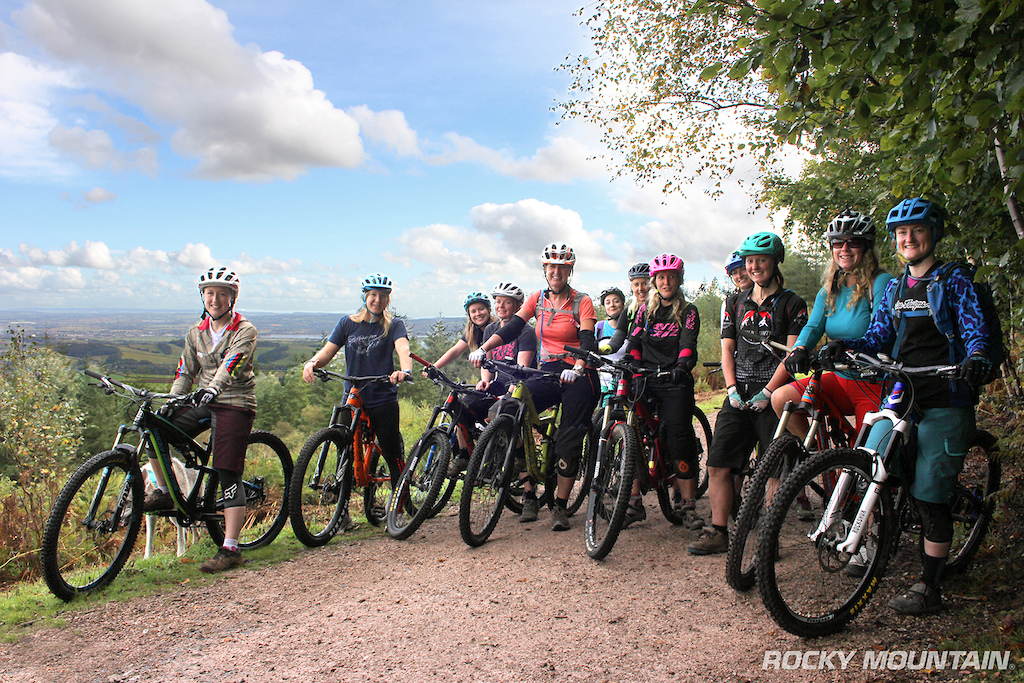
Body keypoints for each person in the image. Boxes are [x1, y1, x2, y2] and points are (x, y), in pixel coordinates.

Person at [819, 198, 990, 615]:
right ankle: (876, 541)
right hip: (900, 392)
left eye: (917, 231)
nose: (908, 239)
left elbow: (974, 329)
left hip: (945, 394)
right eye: (901, 233)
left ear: (933, 234)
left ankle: (930, 588)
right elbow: (878, 336)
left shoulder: (952, 281)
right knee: (872, 462)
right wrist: (844, 346)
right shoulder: (895, 287)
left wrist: (976, 358)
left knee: (931, 495)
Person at [688, 232, 808, 555]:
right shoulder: (733, 303)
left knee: (773, 468)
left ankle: (770, 540)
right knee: (717, 464)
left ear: (774, 262)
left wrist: (769, 391)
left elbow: (792, 352)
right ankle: (719, 531)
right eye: (750, 261)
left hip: (775, 391)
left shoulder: (792, 304)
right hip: (739, 391)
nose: (754, 267)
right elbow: (728, 349)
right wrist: (730, 389)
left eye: (761, 261)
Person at [469, 243, 600, 531]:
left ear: (569, 271)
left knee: (568, 438)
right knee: (508, 410)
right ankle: (526, 477)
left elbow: (588, 339)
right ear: (545, 270)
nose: (556, 271)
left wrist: (578, 367)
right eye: (551, 266)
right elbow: (512, 328)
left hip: (581, 373)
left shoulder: (582, 301)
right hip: (550, 371)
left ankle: (561, 507)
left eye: (562, 267)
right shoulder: (537, 299)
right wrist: (484, 348)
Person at [143, 266, 257, 574]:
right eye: (210, 293)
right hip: (204, 400)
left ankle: (230, 549)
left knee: (226, 469)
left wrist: (213, 389)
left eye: (222, 294)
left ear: (232, 297)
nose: (215, 299)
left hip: (234, 401)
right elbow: (185, 371)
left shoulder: (244, 330)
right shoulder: (196, 333)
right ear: (202, 296)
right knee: (156, 429)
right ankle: (166, 492)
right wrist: (172, 400)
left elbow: (230, 365)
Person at [773, 209, 894, 438]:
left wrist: (843, 345)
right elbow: (813, 327)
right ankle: (819, 458)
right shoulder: (830, 290)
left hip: (873, 383)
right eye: (838, 243)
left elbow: (881, 334)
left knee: (867, 457)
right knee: (781, 399)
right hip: (840, 377)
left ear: (866, 247)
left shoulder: (881, 283)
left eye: (853, 243)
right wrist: (799, 349)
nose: (844, 249)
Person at [302, 273, 413, 499]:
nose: (377, 301)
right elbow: (328, 351)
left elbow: (403, 349)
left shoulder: (393, 325)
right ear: (366, 297)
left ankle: (401, 503)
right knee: (345, 450)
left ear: (387, 300)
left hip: (382, 396)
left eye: (383, 296)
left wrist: (405, 371)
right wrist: (312, 362)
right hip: (352, 395)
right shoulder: (348, 323)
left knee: (392, 454)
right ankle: (341, 513)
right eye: (373, 295)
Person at [621, 254, 704, 530]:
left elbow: (688, 342)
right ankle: (632, 502)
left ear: (679, 280)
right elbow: (634, 339)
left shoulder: (688, 310)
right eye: (661, 277)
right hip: (646, 379)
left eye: (671, 277)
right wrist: (632, 360)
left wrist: (682, 365)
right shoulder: (645, 310)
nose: (666, 282)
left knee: (678, 436)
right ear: (655, 281)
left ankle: (688, 504)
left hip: (674, 380)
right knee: (631, 435)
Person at [428, 292, 498, 477]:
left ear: (489, 310)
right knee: (460, 409)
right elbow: (455, 351)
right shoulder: (472, 331)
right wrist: (433, 367)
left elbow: (489, 360)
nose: (477, 314)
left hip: (499, 382)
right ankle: (464, 454)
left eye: (481, 309)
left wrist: (486, 380)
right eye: (473, 311)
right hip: (486, 381)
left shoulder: (498, 328)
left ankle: (488, 457)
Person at [599, 262, 652, 356]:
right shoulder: (628, 313)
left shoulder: (664, 310)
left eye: (645, 284)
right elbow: (616, 341)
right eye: (636, 285)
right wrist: (598, 349)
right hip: (636, 365)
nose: (640, 289)